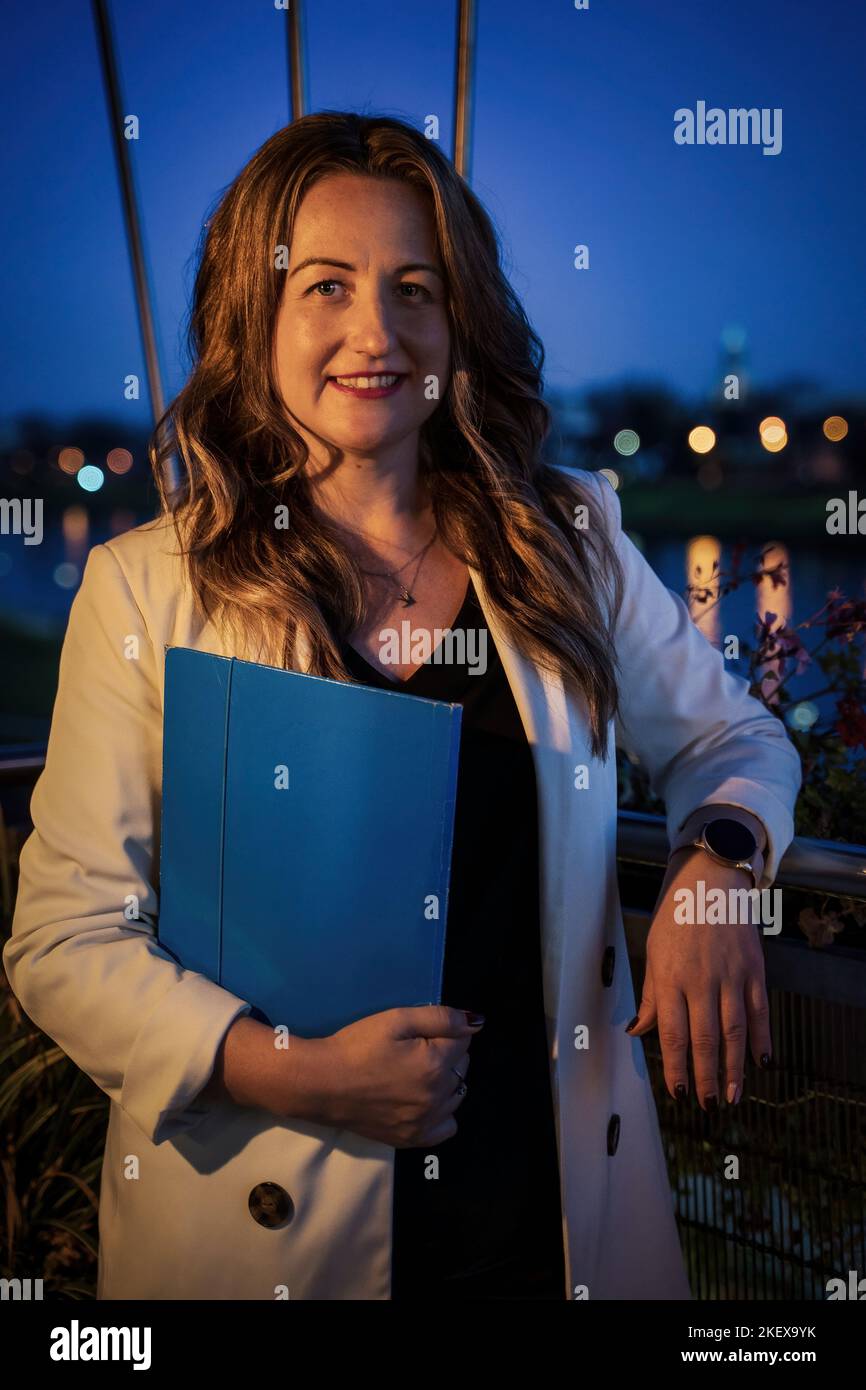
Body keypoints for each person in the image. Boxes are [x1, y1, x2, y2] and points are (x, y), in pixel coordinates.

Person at [3, 111, 801, 1301]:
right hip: (267, 1226)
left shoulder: (562, 538)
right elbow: (65, 941)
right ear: (253, 312)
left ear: (457, 316)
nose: (375, 331)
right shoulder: (150, 586)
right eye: (324, 285)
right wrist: (287, 1070)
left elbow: (733, 739)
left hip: (548, 1224)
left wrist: (719, 862)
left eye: (414, 287)